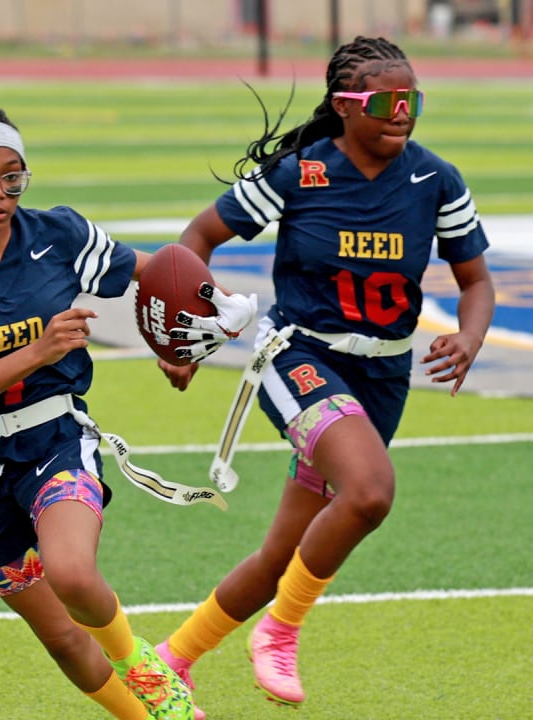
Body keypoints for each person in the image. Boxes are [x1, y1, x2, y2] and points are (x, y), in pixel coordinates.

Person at [153, 36, 494, 715]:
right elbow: (194, 242)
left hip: (384, 377)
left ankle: (171, 659)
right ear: (345, 106)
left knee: (285, 552)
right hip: (299, 355)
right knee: (369, 493)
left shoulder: (437, 180)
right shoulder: (297, 173)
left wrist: (472, 335)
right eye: (388, 101)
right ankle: (279, 632)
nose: (403, 113)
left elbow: (476, 279)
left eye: (413, 100)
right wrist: (182, 335)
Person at [0, 103, 251, 720]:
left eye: (12, 176)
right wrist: (38, 349)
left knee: (73, 574)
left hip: (53, 435)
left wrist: (208, 317)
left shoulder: (58, 233)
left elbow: (157, 271)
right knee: (61, 636)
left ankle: (147, 673)